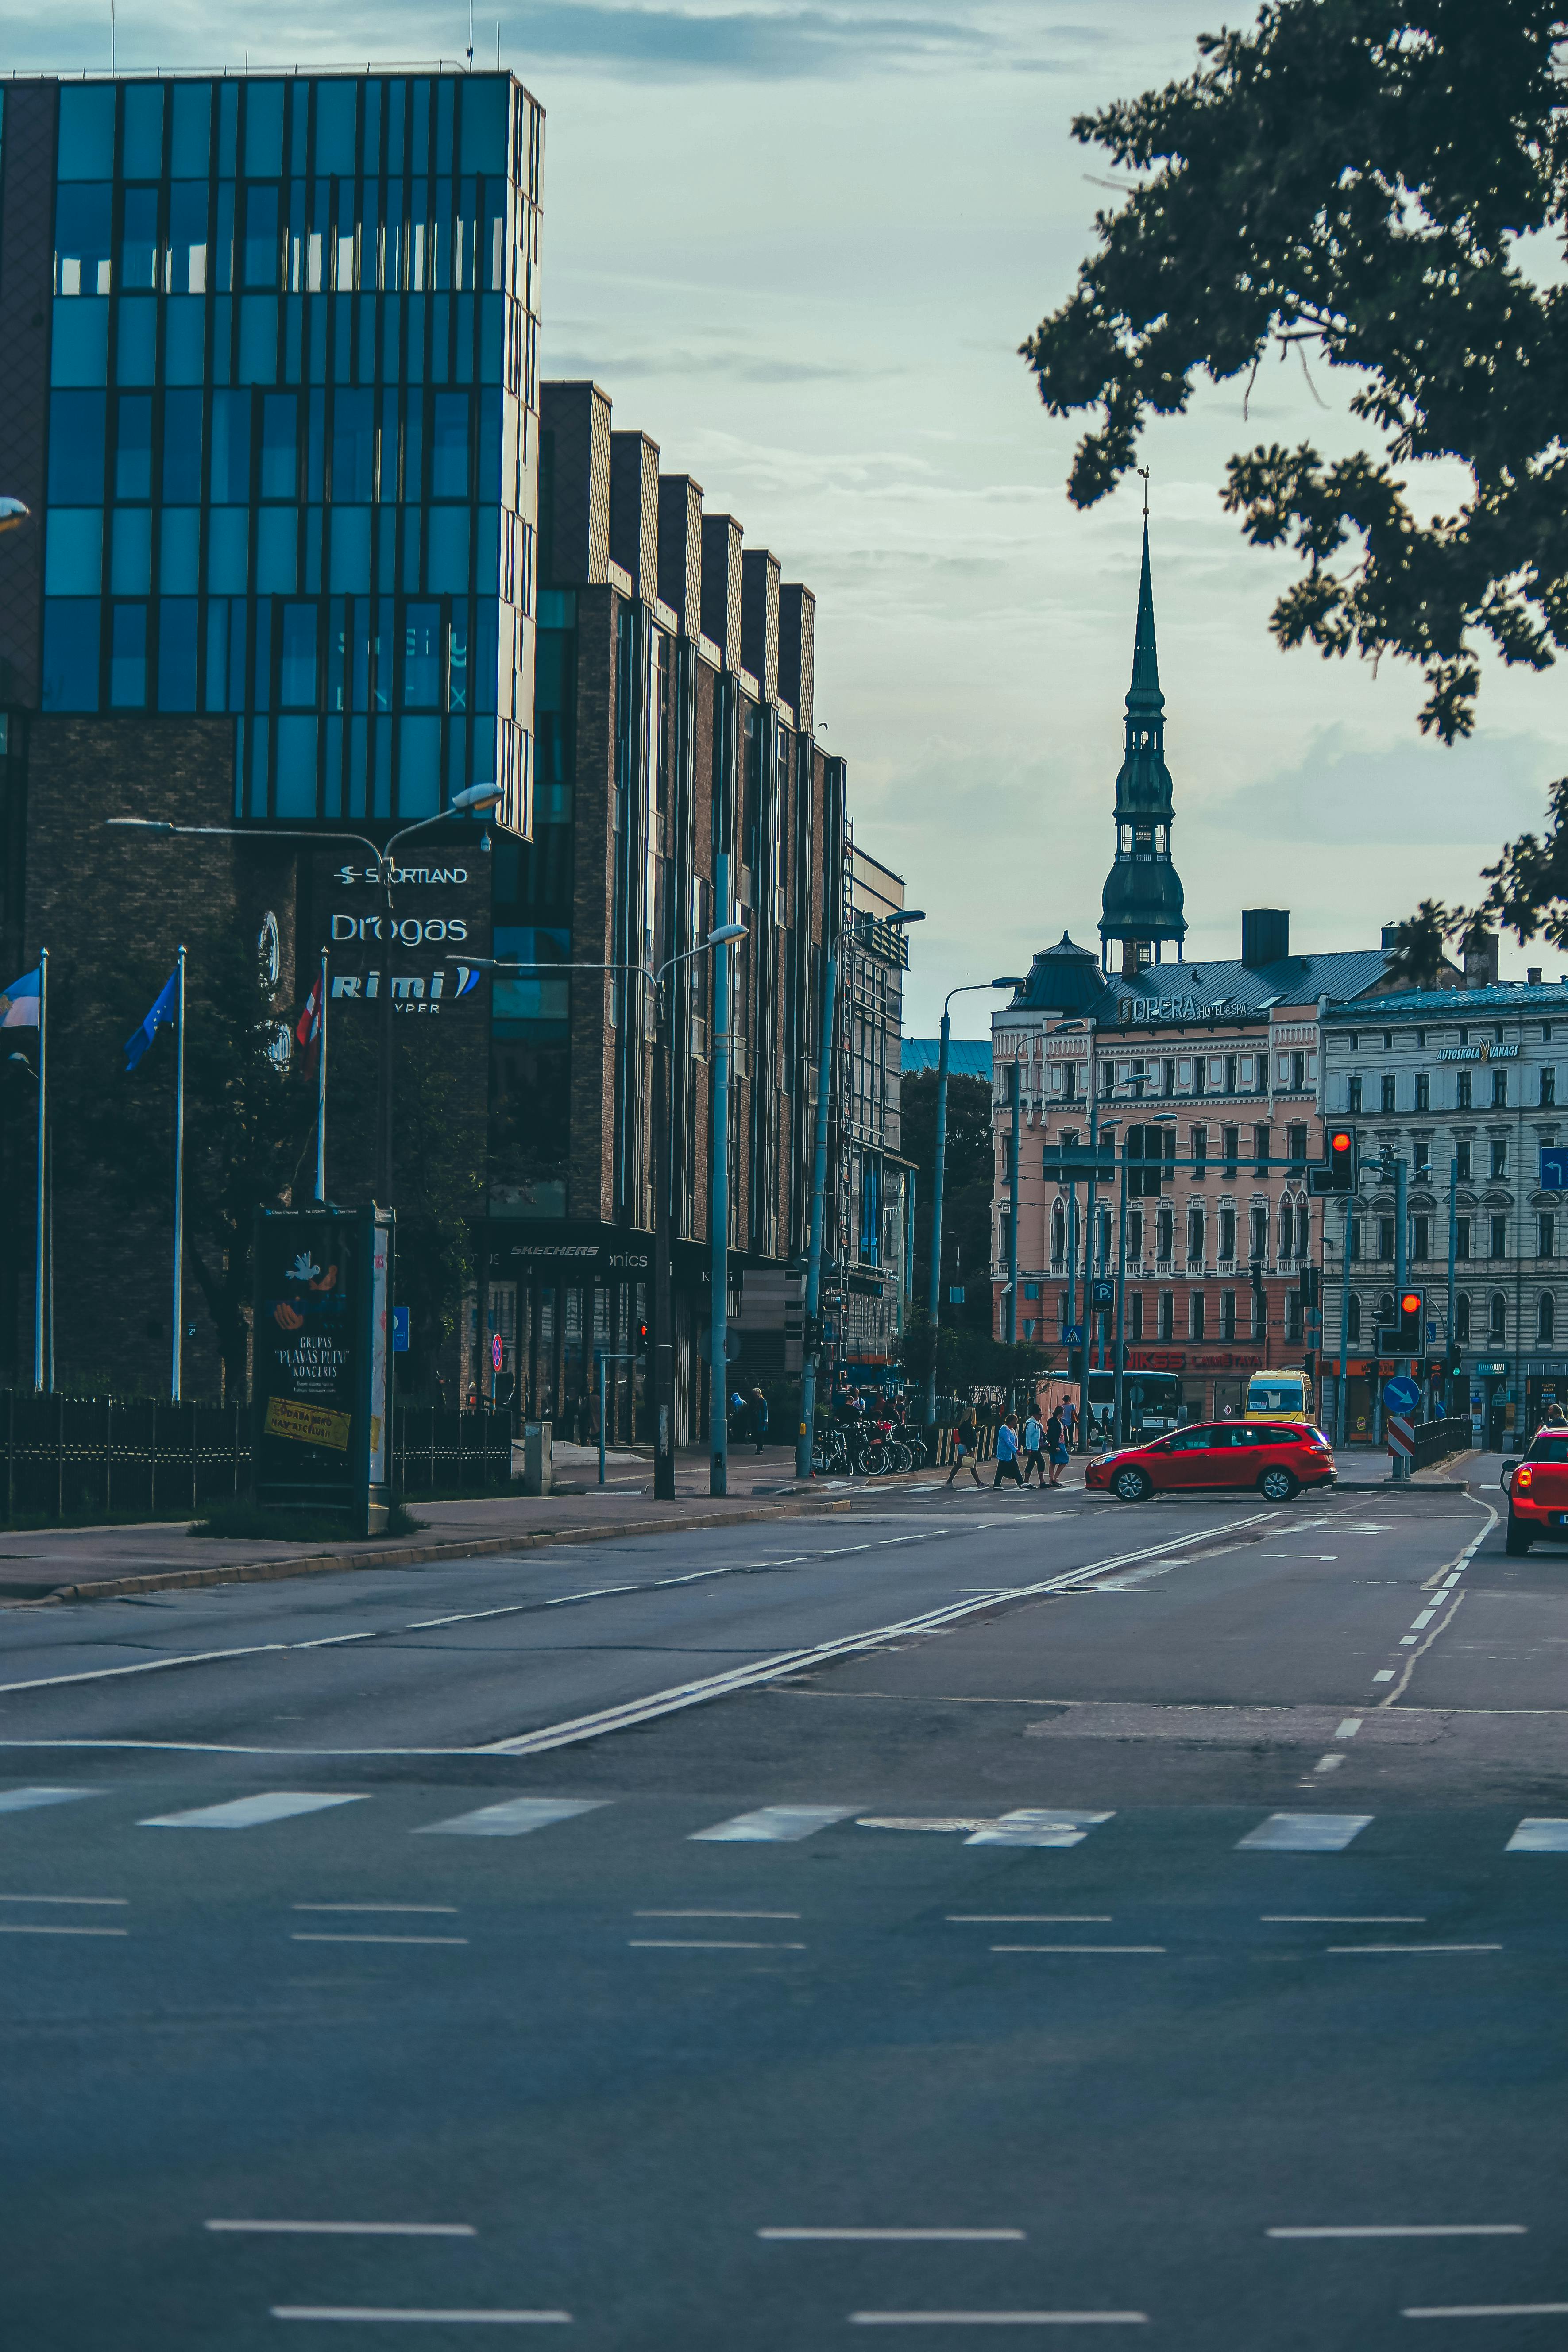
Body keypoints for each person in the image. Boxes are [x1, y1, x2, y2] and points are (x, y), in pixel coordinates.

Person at [946, 1408, 982, 1489]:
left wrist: (976, 1430)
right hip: (966, 1446)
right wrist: (969, 1450)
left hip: (964, 1446)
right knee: (970, 1465)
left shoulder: (966, 1424)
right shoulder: (968, 1424)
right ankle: (979, 1483)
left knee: (960, 1465)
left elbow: (967, 1435)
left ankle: (949, 1482)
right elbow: (967, 1438)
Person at [993, 1413, 1025, 1487]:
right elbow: (1008, 1442)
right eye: (1015, 1421)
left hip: (1009, 1453)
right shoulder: (1004, 1429)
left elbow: (1014, 1440)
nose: (1016, 1423)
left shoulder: (1011, 1429)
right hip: (1004, 1453)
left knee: (1003, 1469)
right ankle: (1021, 1483)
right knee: (1013, 1467)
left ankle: (997, 1484)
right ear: (1010, 1421)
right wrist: (1016, 1450)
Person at [1021, 1406, 1046, 1487]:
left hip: (1036, 1447)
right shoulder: (1032, 1424)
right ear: (1035, 1415)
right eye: (1040, 1415)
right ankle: (1041, 1482)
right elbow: (1028, 1437)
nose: (1041, 1416)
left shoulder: (1037, 1424)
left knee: (1031, 1464)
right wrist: (1029, 1448)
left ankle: (1026, 1482)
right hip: (1033, 1448)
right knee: (1041, 1463)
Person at [1046, 1404, 1069, 1487]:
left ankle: (1052, 1480)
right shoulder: (1054, 1421)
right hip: (1057, 1443)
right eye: (1063, 1412)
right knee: (1064, 1459)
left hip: (1061, 1442)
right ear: (1061, 1413)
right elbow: (1053, 1434)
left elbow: (1061, 1429)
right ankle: (1055, 1478)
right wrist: (1056, 1446)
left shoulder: (1060, 1421)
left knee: (1054, 1462)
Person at [749, 1386, 769, 1454]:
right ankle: (758, 1449)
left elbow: (765, 1411)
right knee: (757, 1435)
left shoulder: (763, 1401)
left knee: (760, 1435)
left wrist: (765, 1420)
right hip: (755, 1420)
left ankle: (760, 1450)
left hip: (761, 1420)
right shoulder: (752, 1402)